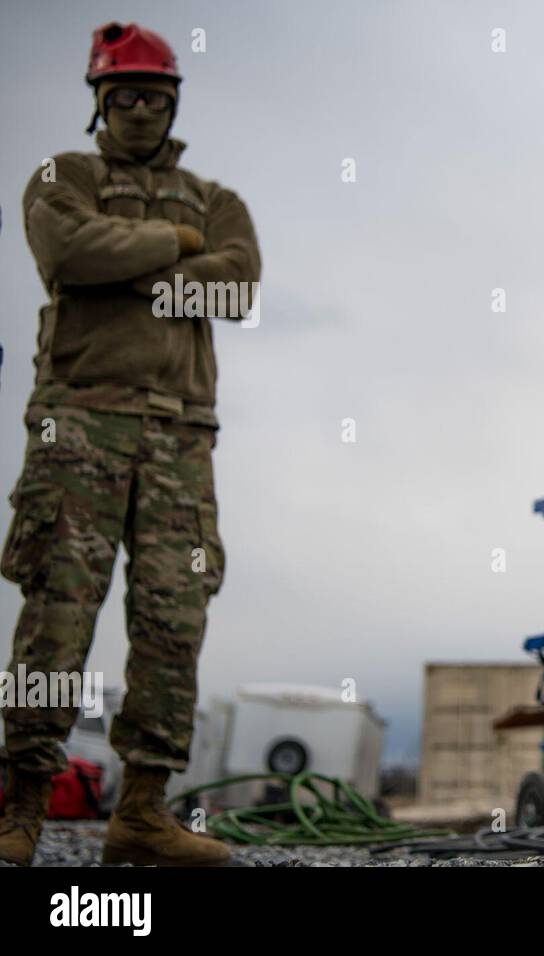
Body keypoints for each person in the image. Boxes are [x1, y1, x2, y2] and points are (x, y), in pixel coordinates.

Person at [0, 22, 260, 865]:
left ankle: (143, 813)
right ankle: (22, 805)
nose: (140, 108)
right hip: (80, 421)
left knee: (173, 619)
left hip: (181, 436)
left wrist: (131, 269)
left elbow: (239, 287)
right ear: (99, 103)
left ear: (173, 99)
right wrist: (180, 252)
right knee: (57, 613)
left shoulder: (218, 199)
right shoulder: (60, 175)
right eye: (124, 96)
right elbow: (66, 250)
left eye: (153, 94)